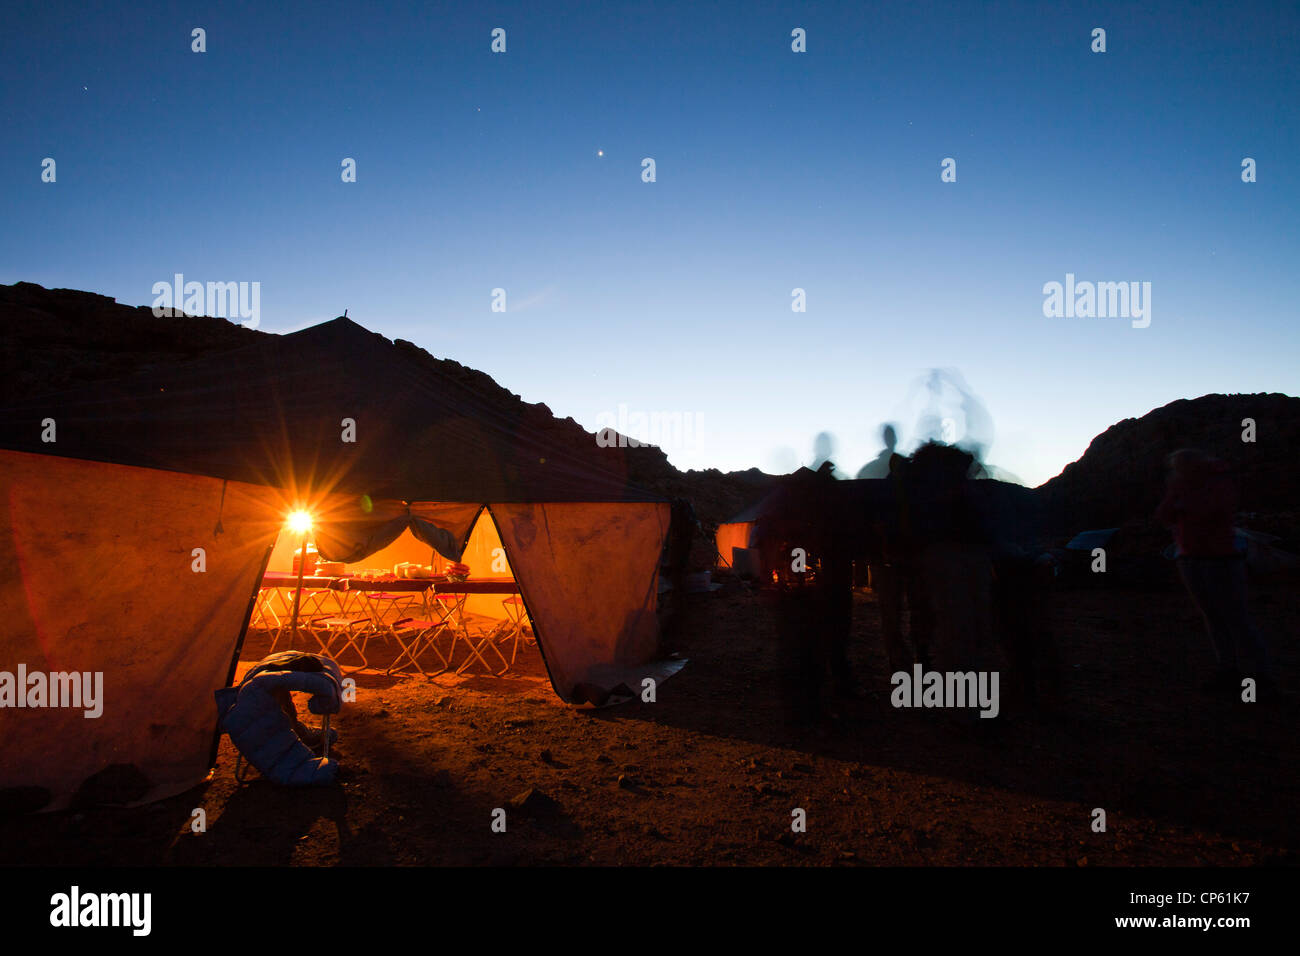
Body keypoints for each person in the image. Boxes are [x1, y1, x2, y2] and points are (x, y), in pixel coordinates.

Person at [1154, 449, 1270, 695]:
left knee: (1236, 618)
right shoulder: (1181, 488)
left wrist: (1182, 501)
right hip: (1190, 557)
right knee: (1213, 617)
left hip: (1220, 559)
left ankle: (1261, 678)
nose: (1175, 472)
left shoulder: (1218, 483)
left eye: (1178, 467)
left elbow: (1213, 514)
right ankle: (1229, 671)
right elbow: (1164, 516)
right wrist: (1174, 496)